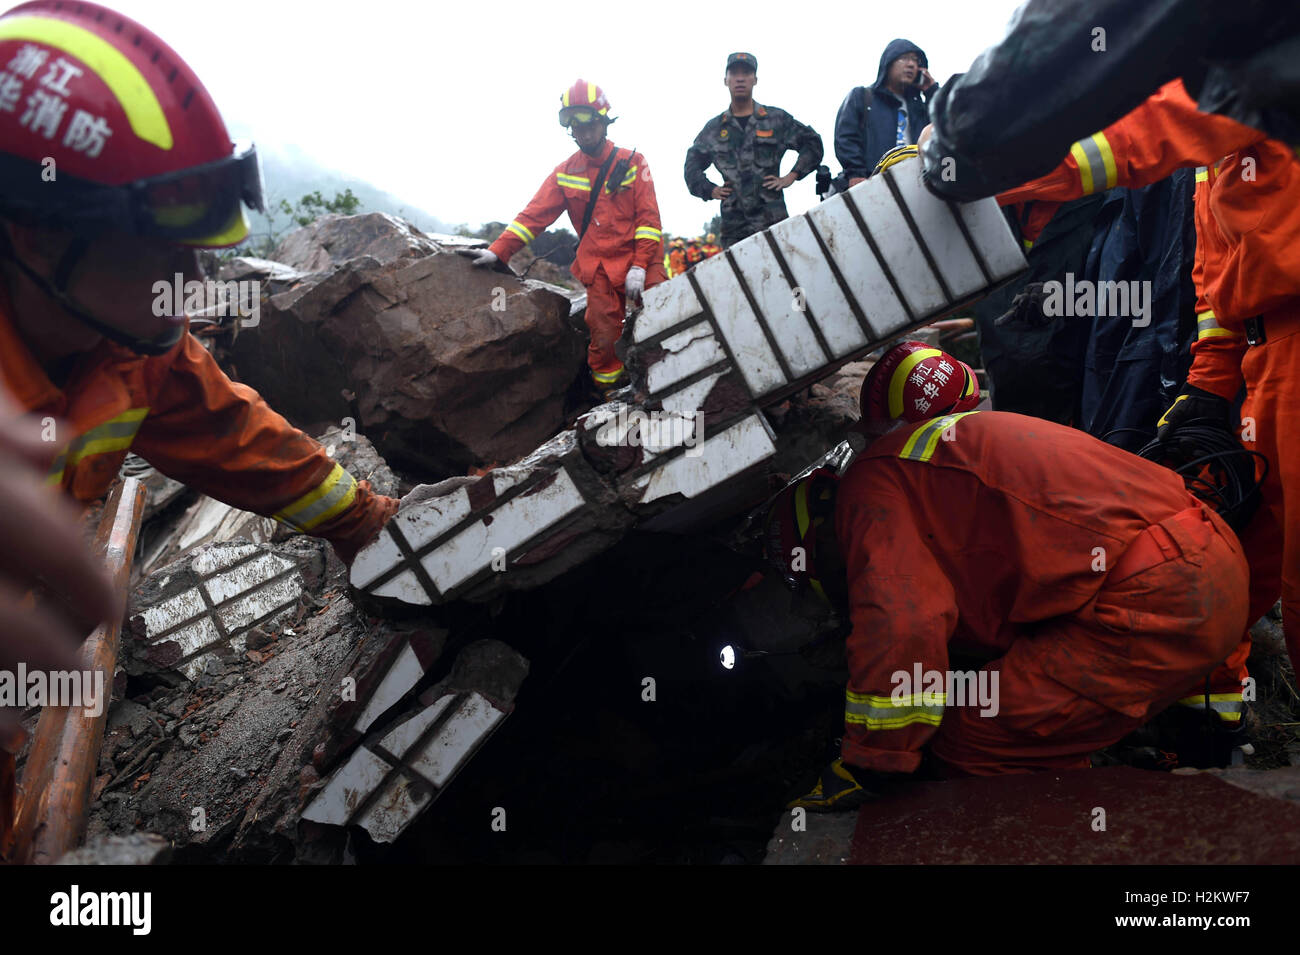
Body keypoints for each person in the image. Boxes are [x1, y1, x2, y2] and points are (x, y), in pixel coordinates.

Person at [0, 0, 401, 851]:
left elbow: (236, 436)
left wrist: (367, 522)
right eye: (163, 245)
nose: (192, 277)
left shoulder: (132, 343)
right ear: (35, 233)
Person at [771, 341, 1248, 808]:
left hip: (1157, 599)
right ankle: (1205, 736)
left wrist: (870, 763)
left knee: (973, 740)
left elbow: (903, 623)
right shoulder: (976, 444)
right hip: (1217, 564)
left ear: (822, 536)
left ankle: (1082, 833)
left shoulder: (871, 484)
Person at [462, 81, 665, 392]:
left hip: (641, 260)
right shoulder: (566, 172)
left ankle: (667, 385)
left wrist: (639, 265)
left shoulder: (633, 163)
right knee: (604, 337)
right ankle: (611, 398)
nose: (583, 134)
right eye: (575, 127)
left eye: (589, 125)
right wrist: (498, 251)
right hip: (597, 266)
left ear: (603, 121)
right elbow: (533, 216)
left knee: (664, 319)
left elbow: (649, 220)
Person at [684, 53, 823, 248]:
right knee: (738, 277)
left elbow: (813, 143)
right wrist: (711, 190)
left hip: (773, 220)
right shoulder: (714, 129)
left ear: (755, 79)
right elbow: (691, 166)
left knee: (782, 273)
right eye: (734, 73)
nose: (740, 78)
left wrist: (792, 176)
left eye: (746, 72)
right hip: (734, 228)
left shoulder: (776, 119)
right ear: (726, 80)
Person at [834, 39, 938, 189]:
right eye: (904, 58)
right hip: (872, 182)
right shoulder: (863, 96)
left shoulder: (921, 108)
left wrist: (931, 91)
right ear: (888, 63)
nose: (911, 64)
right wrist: (855, 172)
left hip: (917, 184)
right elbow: (846, 136)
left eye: (916, 61)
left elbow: (946, 129)